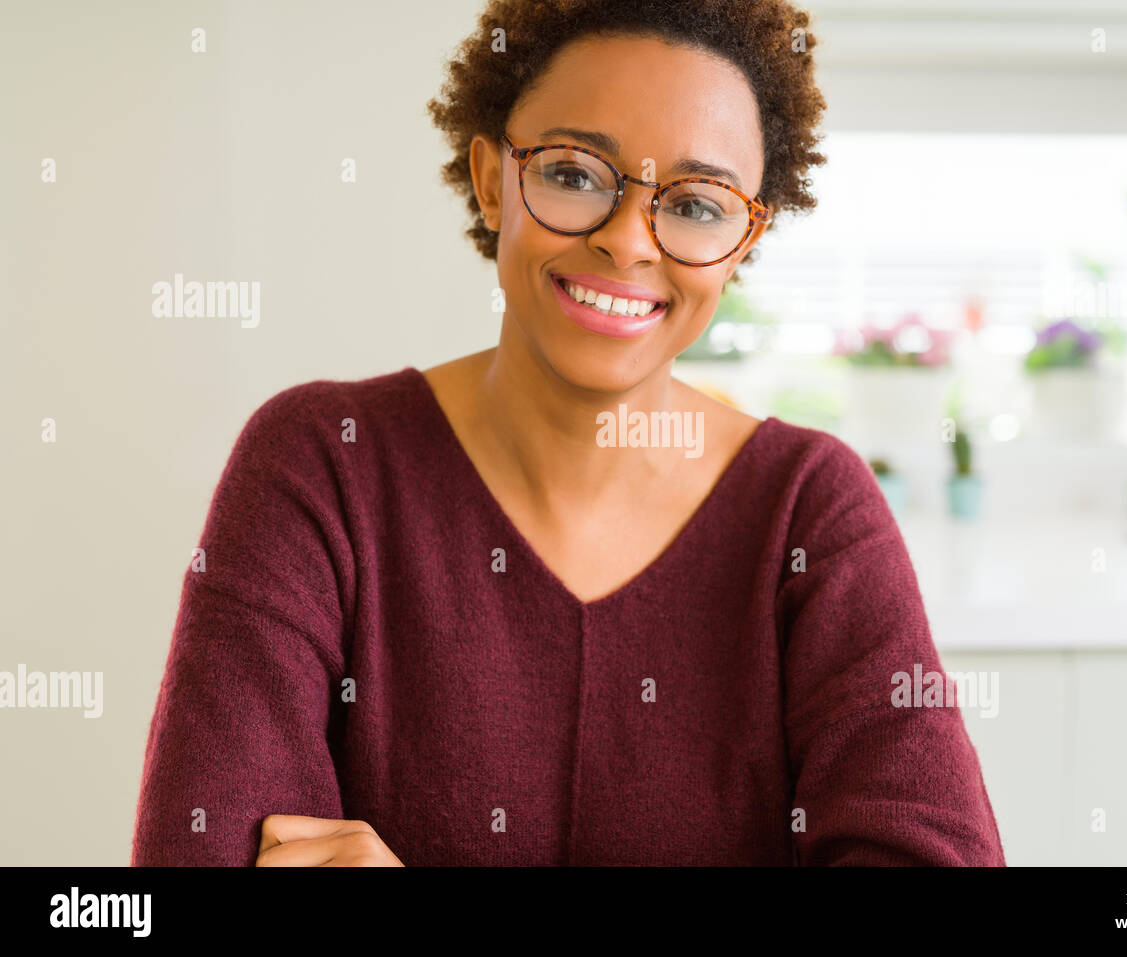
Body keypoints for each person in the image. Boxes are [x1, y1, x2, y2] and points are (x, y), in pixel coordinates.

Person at [131, 0, 1005, 866]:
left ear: (743, 242)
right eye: (575, 173)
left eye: (698, 204)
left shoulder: (810, 509)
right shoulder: (323, 462)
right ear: (489, 179)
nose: (628, 242)